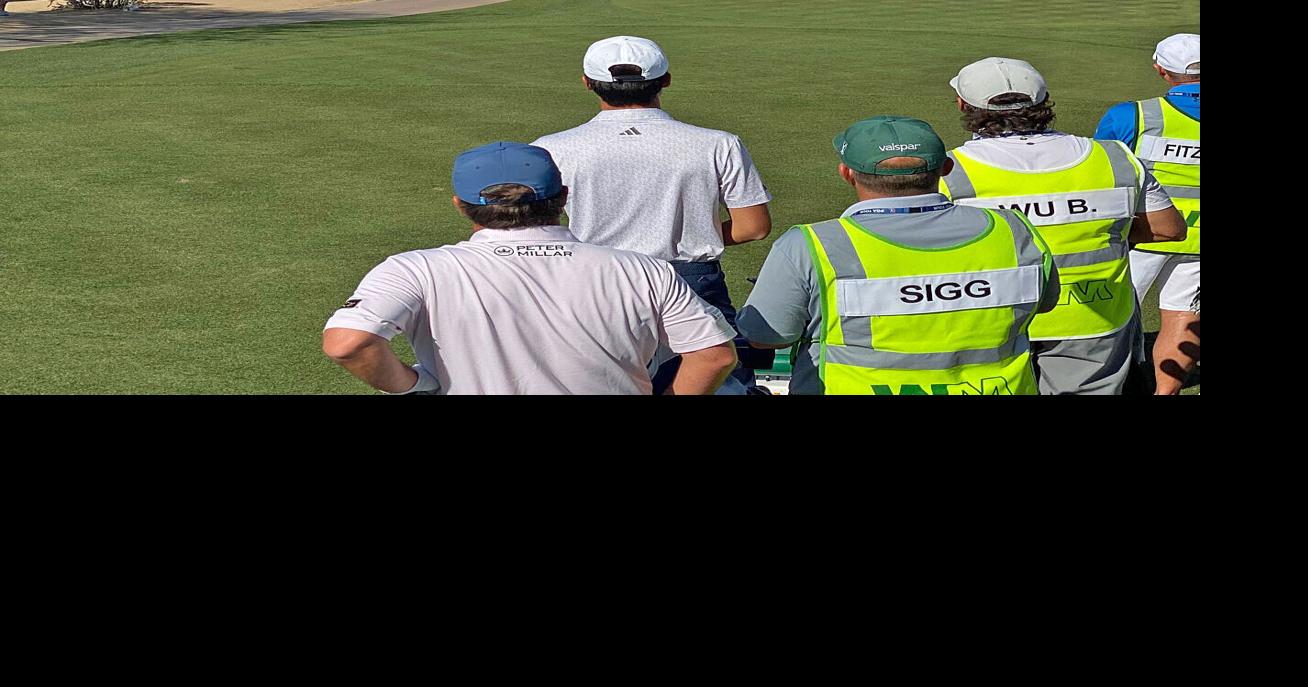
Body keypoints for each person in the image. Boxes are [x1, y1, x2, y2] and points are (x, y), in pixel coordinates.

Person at [322, 141, 738, 395]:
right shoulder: (642, 270)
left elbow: (348, 344)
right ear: (563, 196)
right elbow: (714, 357)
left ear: (459, 205)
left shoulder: (414, 270)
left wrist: (414, 387)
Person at [736, 116, 1059, 395]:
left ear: (846, 173)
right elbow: (1045, 302)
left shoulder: (812, 244)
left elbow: (766, 336)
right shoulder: (1012, 230)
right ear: (946, 168)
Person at [531, 35, 774, 393]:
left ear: (587, 82)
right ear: (666, 80)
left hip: (594, 280)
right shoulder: (719, 143)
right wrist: (697, 232)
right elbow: (753, 228)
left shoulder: (550, 149)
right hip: (692, 281)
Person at [939, 57, 1187, 394]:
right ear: (1043, 102)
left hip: (995, 318)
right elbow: (1169, 229)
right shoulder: (1113, 158)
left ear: (963, 105)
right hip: (1093, 317)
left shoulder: (950, 172)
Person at [1095, 34, 1200, 395]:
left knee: (1112, 318)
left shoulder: (1132, 115)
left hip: (1141, 233)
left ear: (1161, 71)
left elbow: (1102, 171)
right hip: (1197, 241)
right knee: (1184, 315)